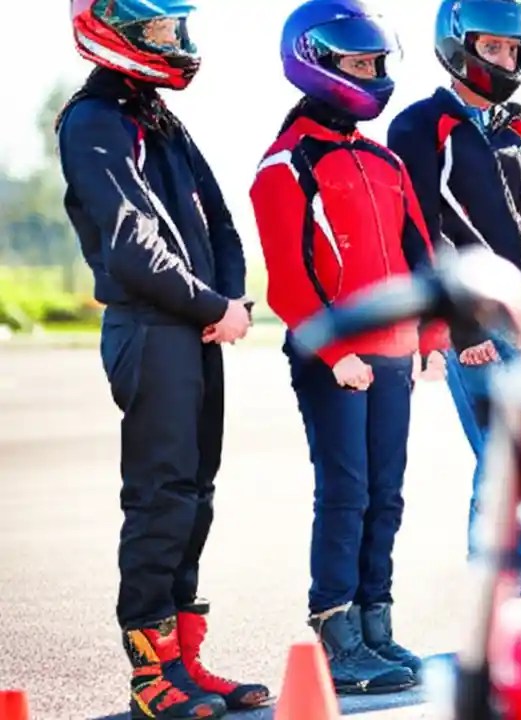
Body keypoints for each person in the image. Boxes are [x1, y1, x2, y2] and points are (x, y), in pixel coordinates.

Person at [56, 2, 270, 718]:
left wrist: (229, 299)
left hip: (196, 328)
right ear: (111, 27)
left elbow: (221, 222)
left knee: (194, 497)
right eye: (156, 32)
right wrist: (214, 308)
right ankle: (151, 677)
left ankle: (186, 662)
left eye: (172, 29)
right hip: (151, 329)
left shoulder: (156, 117)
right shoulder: (94, 121)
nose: (172, 42)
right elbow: (129, 245)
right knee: (160, 498)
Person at [250, 0, 450, 693]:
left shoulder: (384, 160)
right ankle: (336, 635)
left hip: (395, 356)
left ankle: (376, 626)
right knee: (347, 493)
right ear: (317, 63)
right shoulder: (285, 164)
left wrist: (432, 334)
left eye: (376, 63)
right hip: (336, 363)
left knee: (387, 495)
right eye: (361, 64)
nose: (373, 74)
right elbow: (286, 282)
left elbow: (419, 252)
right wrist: (338, 355)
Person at [386, 0, 521, 596]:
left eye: (511, 49)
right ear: (457, 44)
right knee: (503, 464)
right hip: (480, 326)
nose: (503, 59)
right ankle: (505, 602)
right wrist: (462, 329)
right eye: (491, 47)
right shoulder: (419, 126)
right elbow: (421, 230)